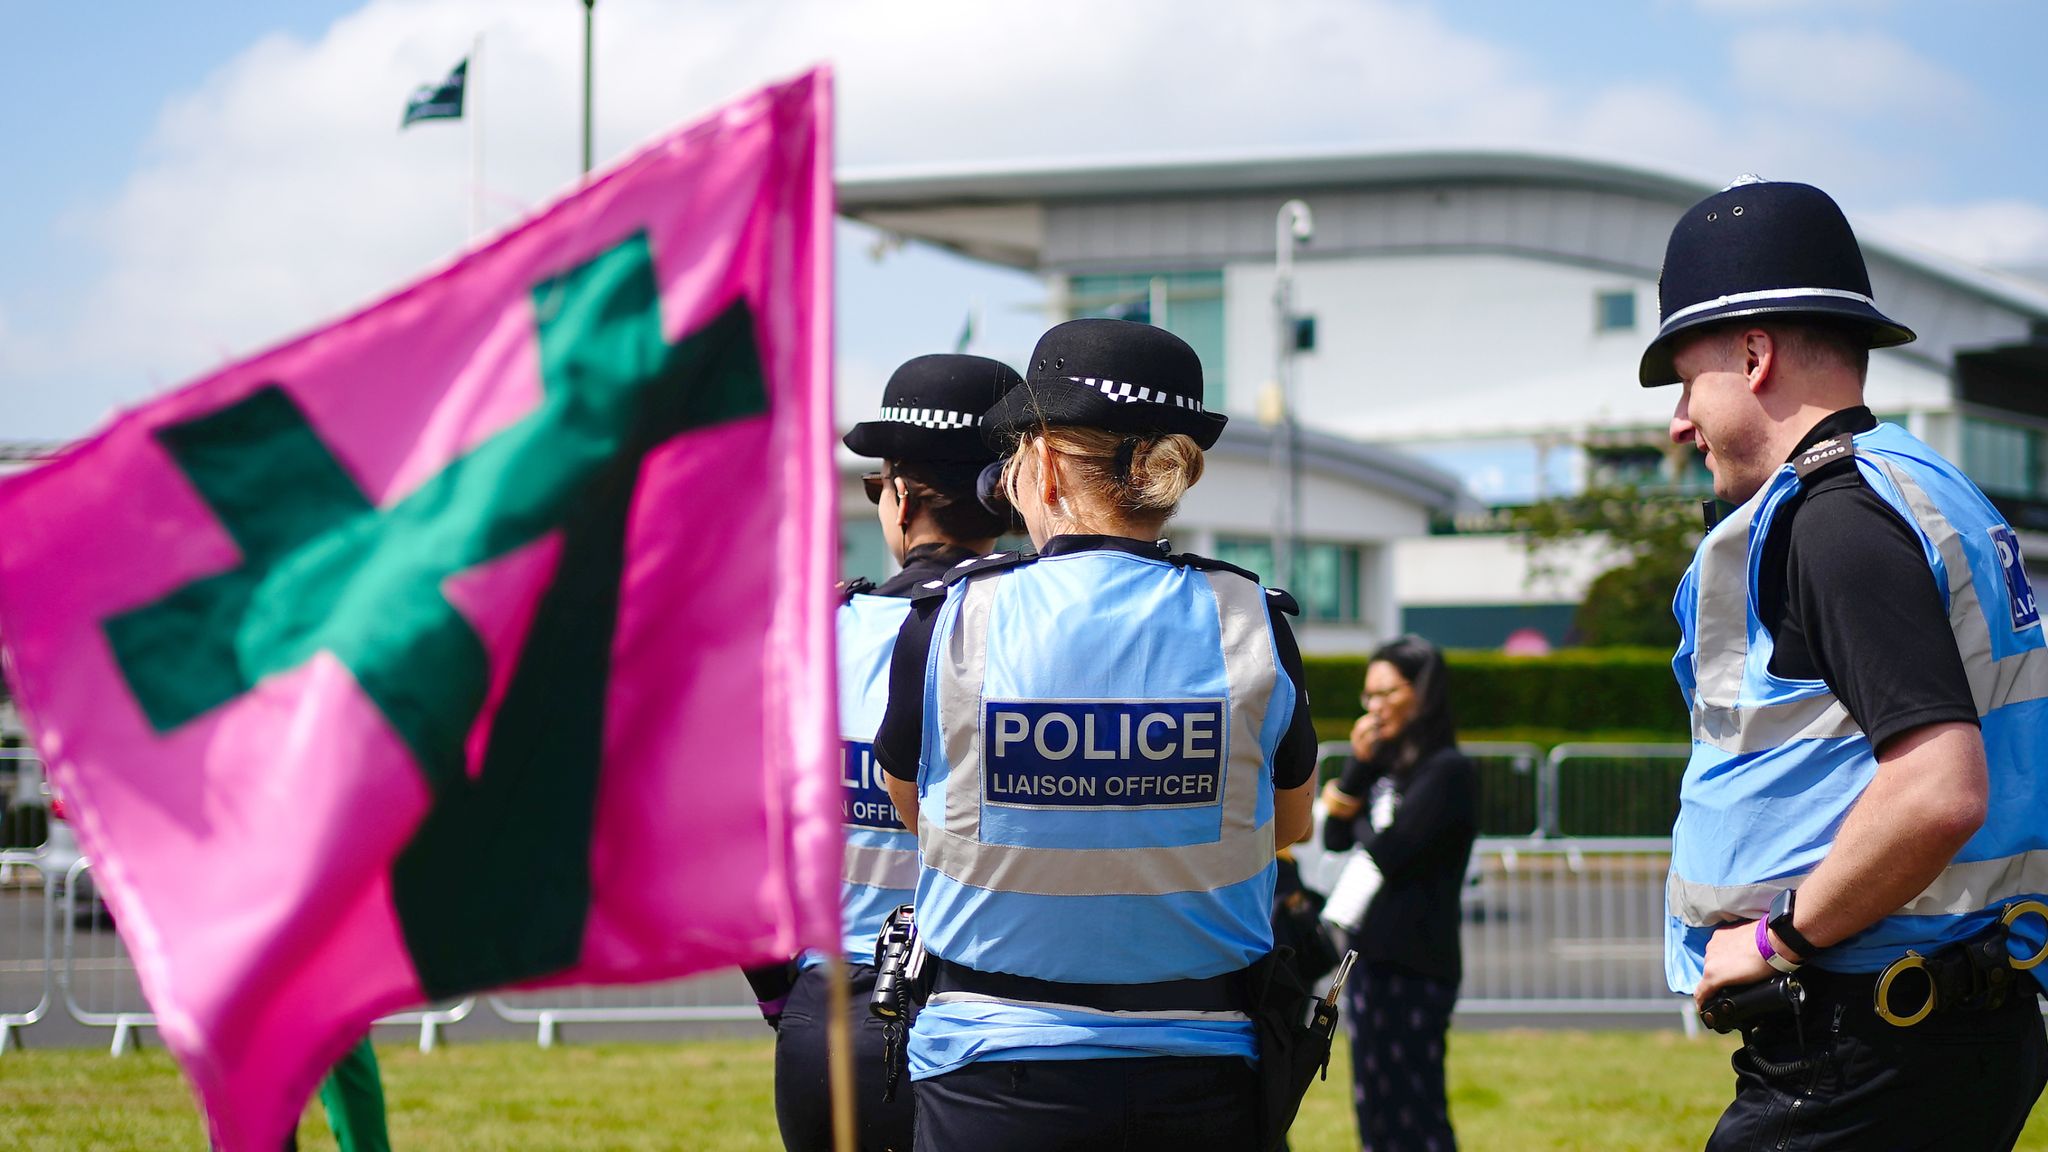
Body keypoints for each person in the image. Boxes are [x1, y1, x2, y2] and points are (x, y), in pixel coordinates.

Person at [1644, 177, 2048, 1149]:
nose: (1676, 423)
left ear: (1752, 354)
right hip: (1951, 1016)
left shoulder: (1832, 520)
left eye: (1684, 381)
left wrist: (1775, 936)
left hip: (1865, 1040)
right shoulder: (1927, 490)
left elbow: (1934, 790)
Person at [873, 318, 1321, 1152]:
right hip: (1205, 1068)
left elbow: (912, 807)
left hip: (989, 1068)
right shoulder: (1251, 619)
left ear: (1040, 463)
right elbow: (1289, 825)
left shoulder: (952, 620)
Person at [751, 353, 1021, 1152]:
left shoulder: (813, 637)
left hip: (839, 1011)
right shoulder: (1055, 636)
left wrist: (786, 1000)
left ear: (899, 495)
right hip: (1007, 1012)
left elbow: (745, 845)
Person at [1319, 635, 1475, 1152]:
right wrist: (1360, 766)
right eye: (1369, 696)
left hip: (1416, 961)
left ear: (1423, 692)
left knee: (1416, 1107)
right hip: (1370, 960)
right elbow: (1335, 838)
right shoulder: (1391, 767)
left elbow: (1393, 852)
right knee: (1376, 1106)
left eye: (1386, 692)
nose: (1375, 706)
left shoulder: (1447, 771)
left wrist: (1351, 810)